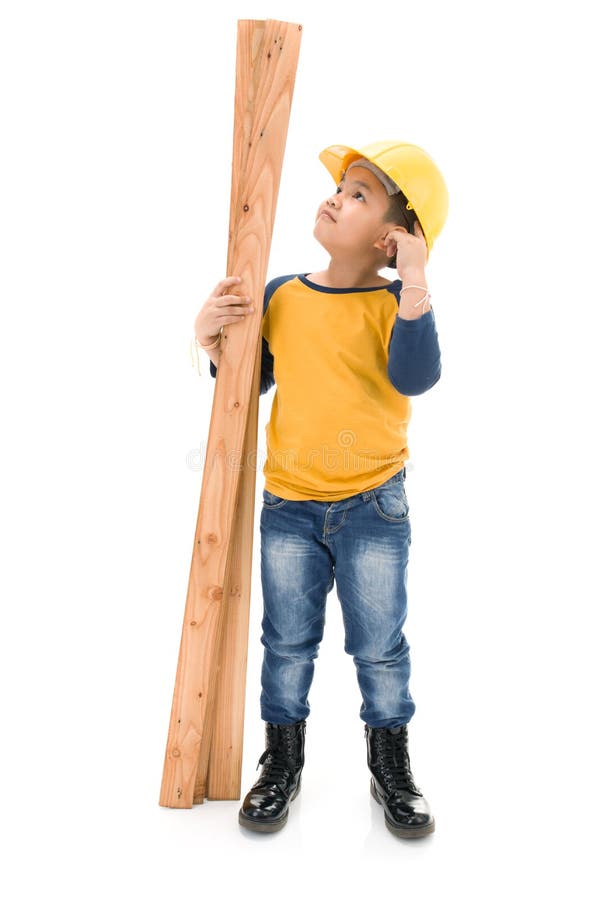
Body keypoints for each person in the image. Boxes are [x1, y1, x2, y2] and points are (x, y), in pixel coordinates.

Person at [193, 140, 448, 838]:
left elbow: (415, 378)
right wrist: (212, 340)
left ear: (395, 238)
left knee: (379, 647)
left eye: (361, 195)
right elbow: (251, 380)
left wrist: (417, 278)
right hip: (290, 507)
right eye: (342, 186)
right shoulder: (282, 293)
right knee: (286, 642)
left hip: (373, 506)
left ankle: (391, 764)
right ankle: (281, 762)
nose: (337, 196)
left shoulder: (399, 304)